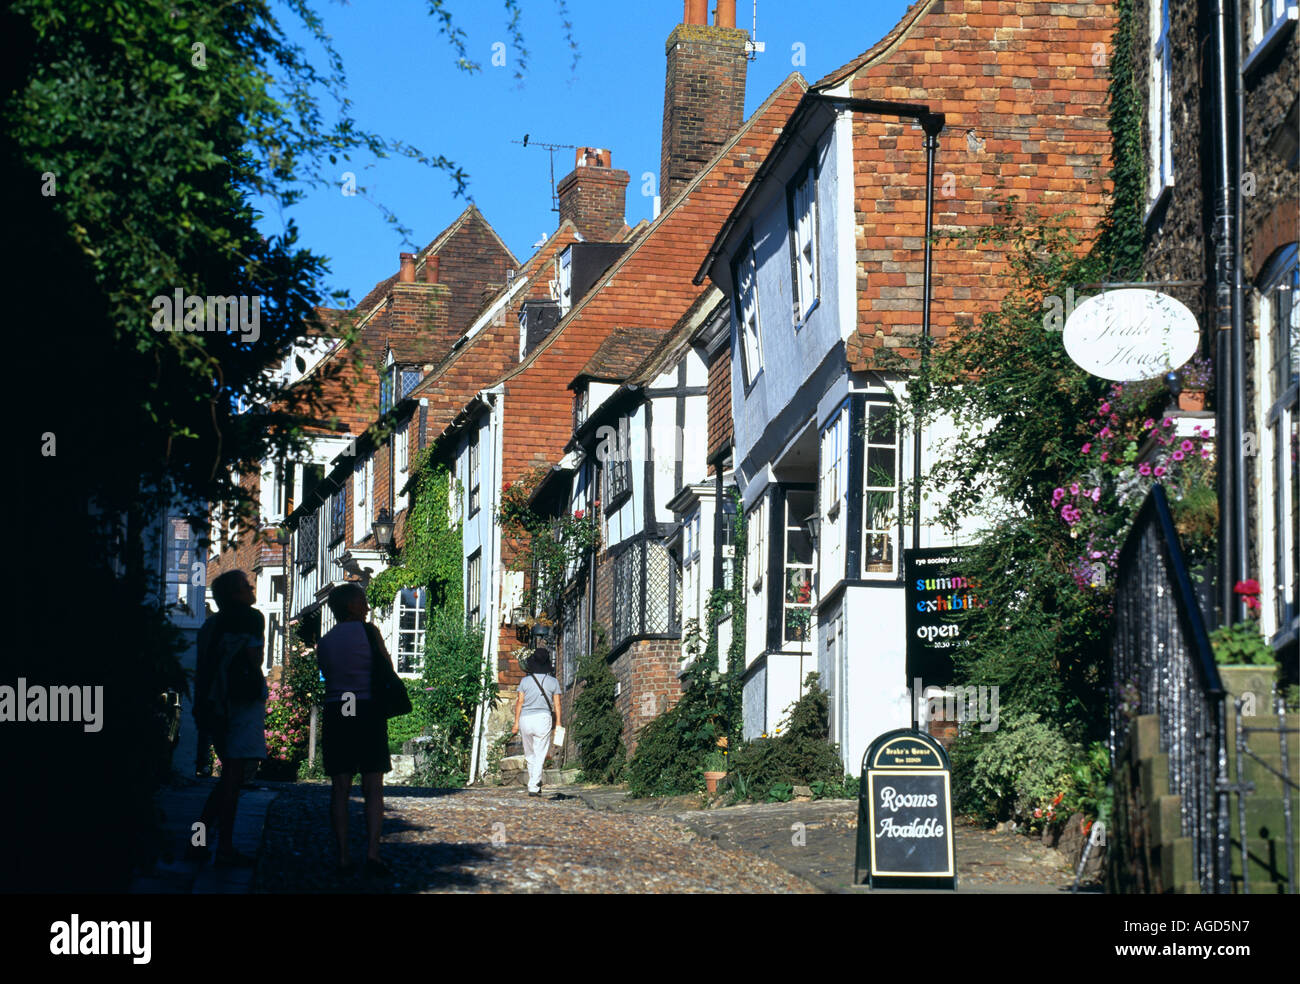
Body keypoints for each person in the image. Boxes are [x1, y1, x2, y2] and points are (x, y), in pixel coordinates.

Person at [189, 569, 267, 867]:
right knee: (232, 779)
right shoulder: (251, 617)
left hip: (212, 704)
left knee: (228, 778)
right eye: (246, 585)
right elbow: (254, 658)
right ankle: (223, 848)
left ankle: (199, 841)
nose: (251, 588)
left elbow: (202, 668)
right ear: (236, 594)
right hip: (240, 701)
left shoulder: (209, 626)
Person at [316, 581, 392, 878]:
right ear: (351, 606)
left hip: (338, 711)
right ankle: (372, 853)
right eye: (363, 602)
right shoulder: (370, 633)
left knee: (340, 787)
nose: (368, 607)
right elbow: (384, 667)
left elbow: (328, 674)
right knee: (373, 786)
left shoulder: (326, 640)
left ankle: (343, 856)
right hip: (367, 709)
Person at [513, 647, 561, 797]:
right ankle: (534, 786)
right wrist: (558, 722)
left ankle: (534, 783)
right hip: (542, 718)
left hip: (525, 719)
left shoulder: (525, 681)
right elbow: (557, 704)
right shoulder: (553, 682)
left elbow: (520, 702)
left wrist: (515, 723)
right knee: (540, 752)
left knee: (530, 754)